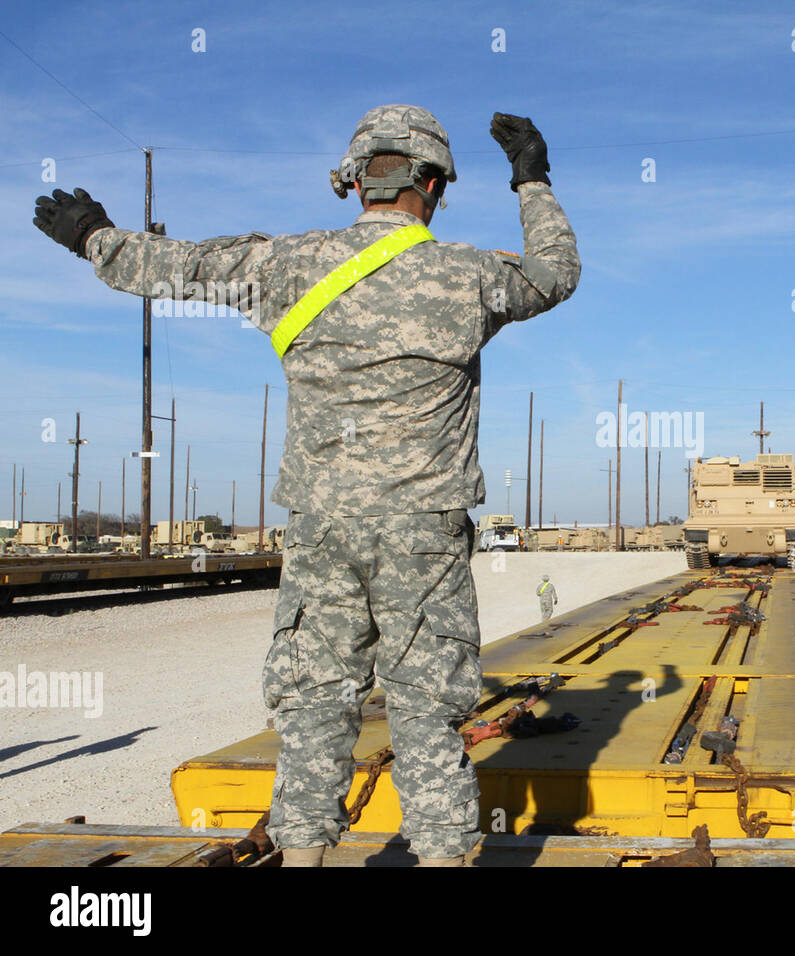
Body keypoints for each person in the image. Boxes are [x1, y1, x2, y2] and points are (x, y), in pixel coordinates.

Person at [33, 105, 580, 866]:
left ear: (355, 181)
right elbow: (555, 272)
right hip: (424, 529)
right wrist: (532, 179)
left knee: (316, 698)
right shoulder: (468, 275)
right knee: (428, 706)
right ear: (434, 183)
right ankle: (446, 855)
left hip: (323, 527)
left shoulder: (289, 264)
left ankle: (304, 858)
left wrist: (93, 235)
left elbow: (175, 268)